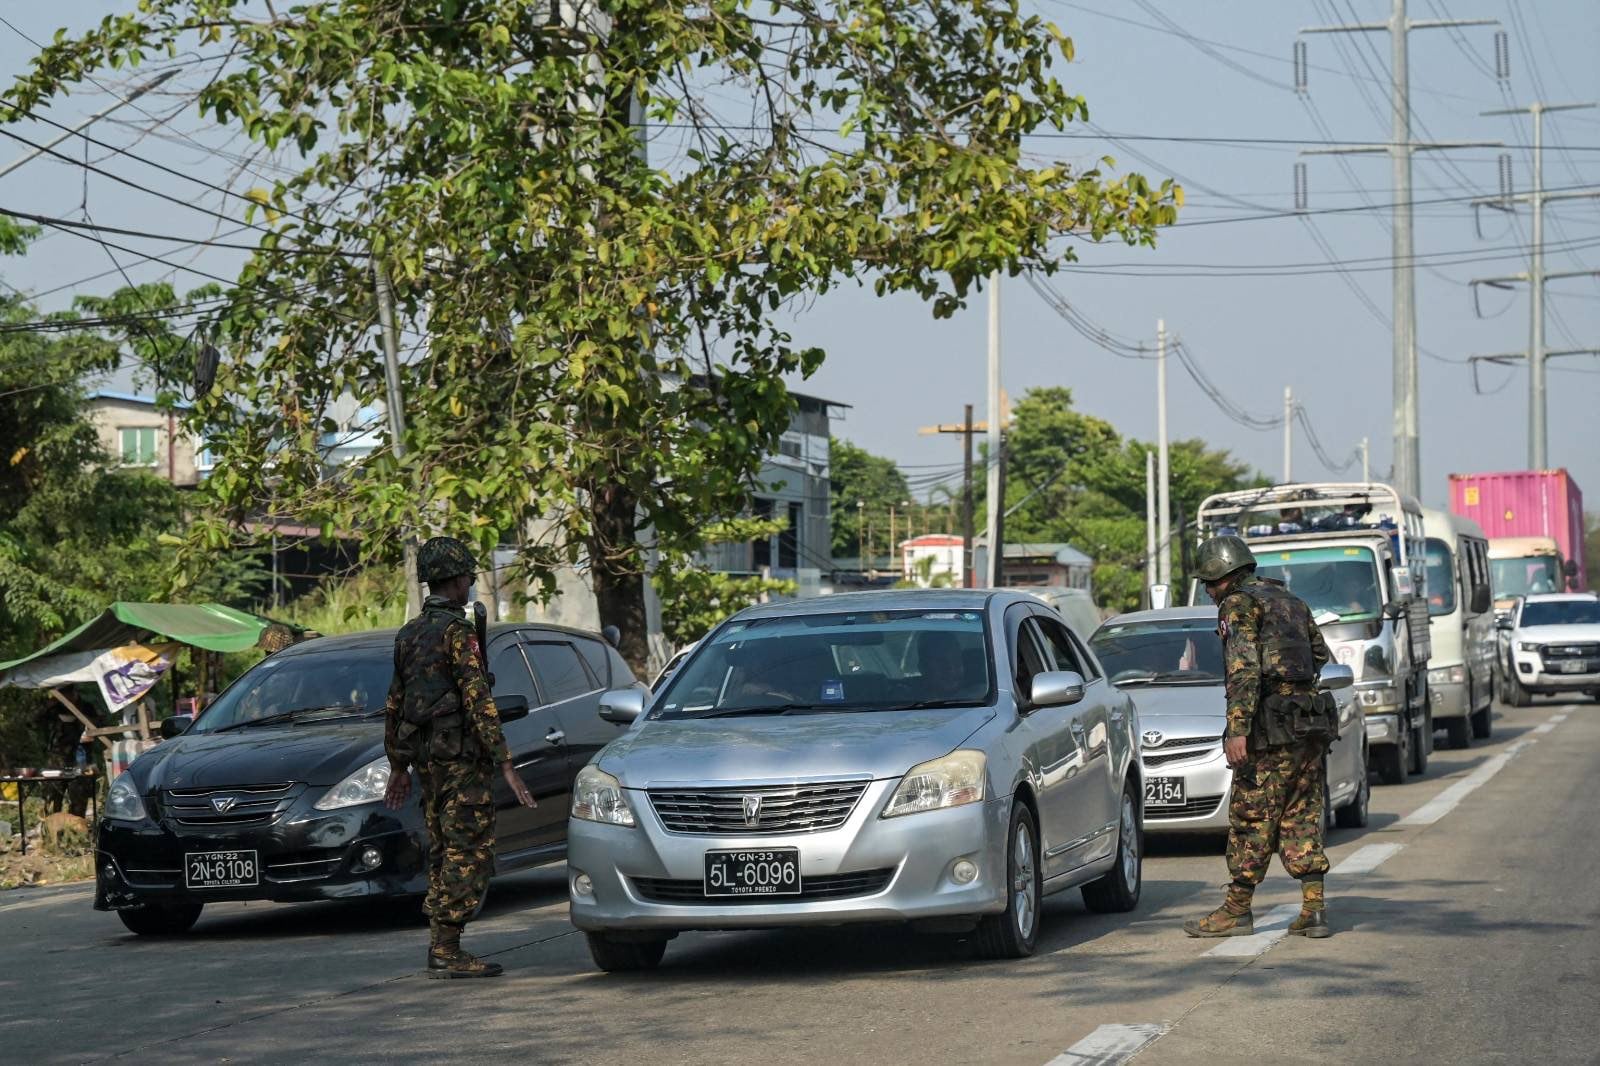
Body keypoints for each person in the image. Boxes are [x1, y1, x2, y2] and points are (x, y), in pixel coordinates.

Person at [382, 535, 534, 978]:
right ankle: (447, 947)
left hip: (428, 760)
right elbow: (478, 699)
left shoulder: (409, 634)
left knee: (443, 848)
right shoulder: (457, 632)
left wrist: (399, 764)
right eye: (467, 575)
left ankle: (441, 944)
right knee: (469, 848)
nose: (469, 582)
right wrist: (505, 762)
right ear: (456, 579)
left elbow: (395, 702)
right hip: (462, 760)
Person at [1184, 535, 1335, 940]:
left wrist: (1238, 730)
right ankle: (1314, 909)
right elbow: (1320, 654)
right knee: (1302, 812)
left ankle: (1237, 910)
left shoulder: (1238, 604)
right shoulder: (1291, 601)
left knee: (1252, 814)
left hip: (1269, 729)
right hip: (1308, 724)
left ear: (1225, 575)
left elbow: (1244, 670)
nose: (1208, 591)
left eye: (1209, 582)